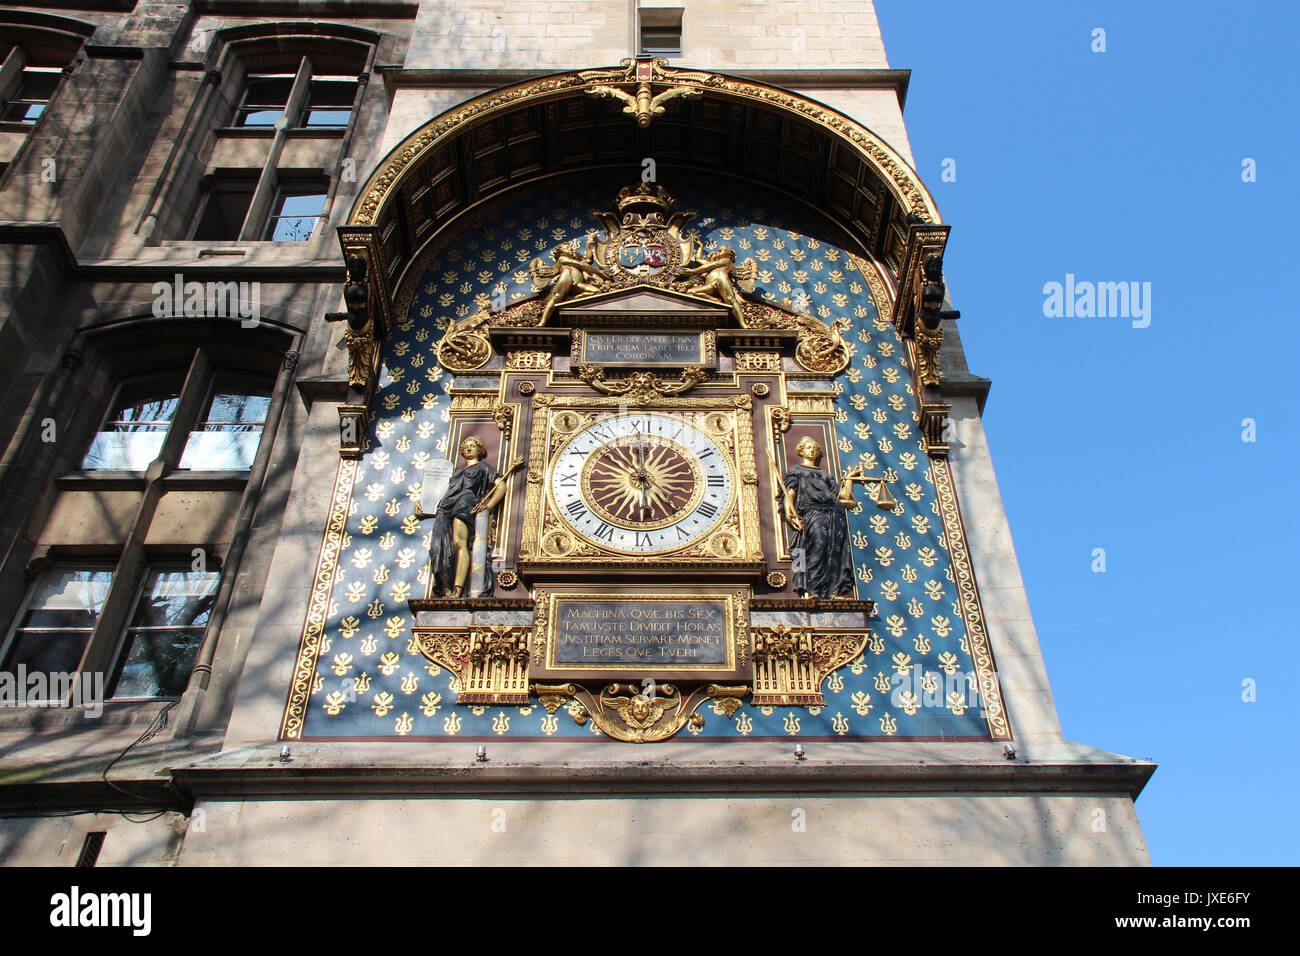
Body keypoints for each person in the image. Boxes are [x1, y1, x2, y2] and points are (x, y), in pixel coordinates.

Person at [776, 437, 863, 598]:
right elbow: (790, 494)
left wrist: (849, 478)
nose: (812, 450)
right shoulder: (797, 471)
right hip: (813, 512)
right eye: (809, 447)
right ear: (801, 450)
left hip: (836, 513)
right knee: (818, 545)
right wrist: (789, 513)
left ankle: (831, 590)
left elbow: (843, 496)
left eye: (815, 447)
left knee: (834, 551)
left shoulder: (824, 474)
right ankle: (812, 589)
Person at [429, 437, 511, 598]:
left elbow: (501, 486)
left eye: (472, 446)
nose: (468, 448)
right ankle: (446, 586)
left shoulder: (483, 467)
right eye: (466, 446)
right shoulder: (458, 473)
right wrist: (424, 503)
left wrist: (488, 505)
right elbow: (441, 492)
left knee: (459, 543)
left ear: (479, 450)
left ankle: (457, 589)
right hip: (445, 507)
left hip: (464, 503)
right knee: (438, 546)